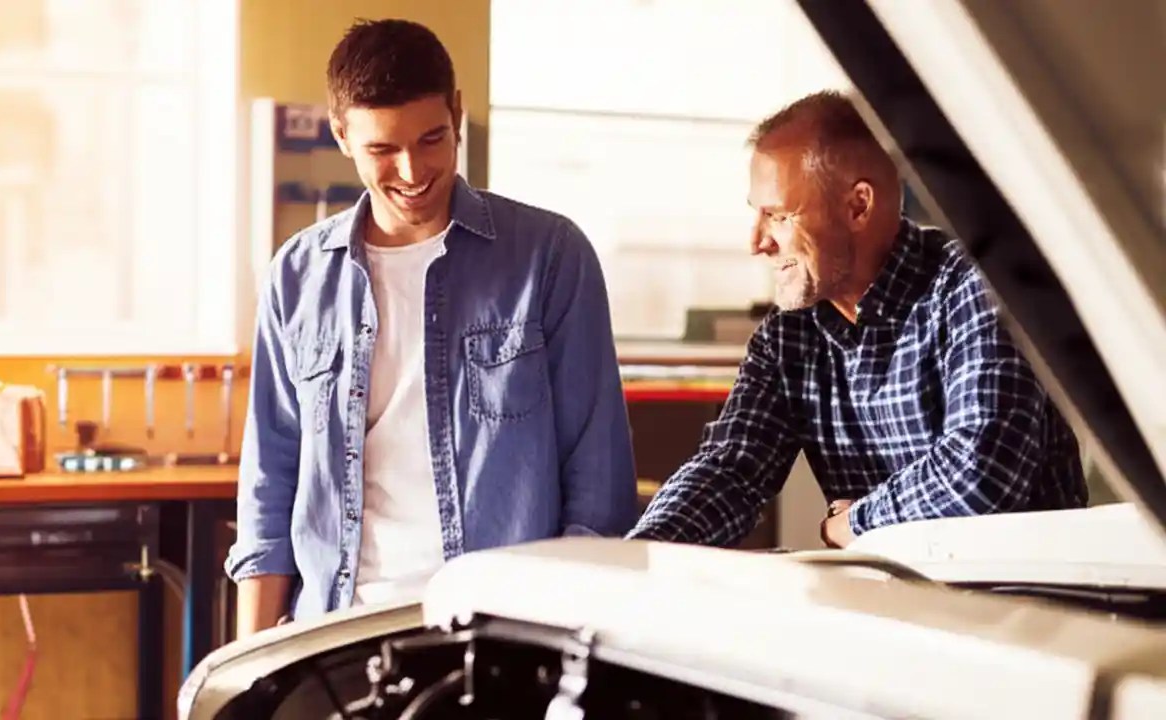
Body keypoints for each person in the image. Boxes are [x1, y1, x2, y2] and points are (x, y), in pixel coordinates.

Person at [227, 19, 636, 634]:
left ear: (459, 114)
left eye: (432, 139)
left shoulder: (550, 256)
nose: (413, 171)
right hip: (340, 631)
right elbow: (270, 484)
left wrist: (559, 641)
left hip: (503, 631)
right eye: (382, 150)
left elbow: (598, 487)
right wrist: (252, 674)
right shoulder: (297, 276)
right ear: (342, 134)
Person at [630, 90, 1087, 549]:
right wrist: (635, 558)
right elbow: (728, 472)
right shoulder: (787, 337)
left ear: (858, 206)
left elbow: (984, 473)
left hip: (1023, 606)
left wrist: (855, 522)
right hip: (892, 606)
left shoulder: (978, 286)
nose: (757, 242)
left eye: (778, 215)